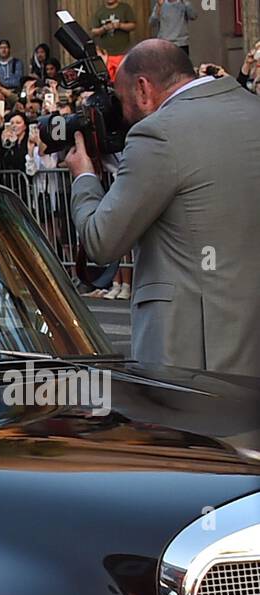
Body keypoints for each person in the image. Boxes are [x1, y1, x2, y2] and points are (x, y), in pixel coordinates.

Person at [66, 39, 260, 374]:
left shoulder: (157, 134)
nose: (123, 115)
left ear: (143, 88)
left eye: (122, 101)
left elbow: (101, 242)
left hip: (191, 354)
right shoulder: (251, 107)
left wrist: (84, 177)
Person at [150, 0, 196, 67]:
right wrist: (159, 7)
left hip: (181, 43)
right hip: (164, 43)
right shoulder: (160, 4)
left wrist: (186, 3)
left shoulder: (183, 3)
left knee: (181, 68)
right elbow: (152, 22)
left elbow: (193, 16)